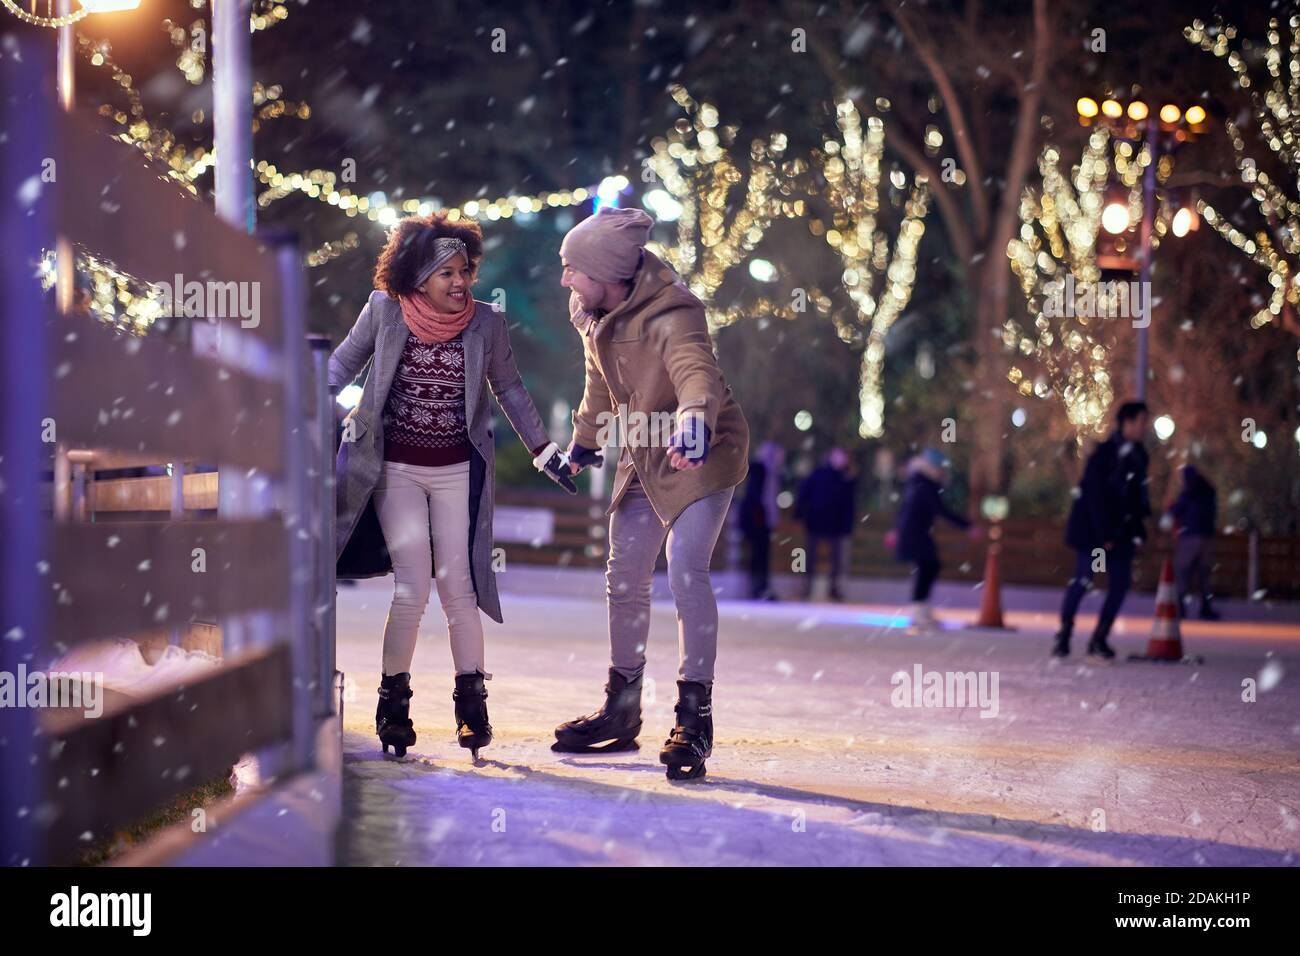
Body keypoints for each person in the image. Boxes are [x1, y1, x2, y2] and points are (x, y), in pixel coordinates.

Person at [329, 212, 575, 760]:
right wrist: (300, 410)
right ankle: (394, 707)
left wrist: (544, 450)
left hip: (455, 471)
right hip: (394, 470)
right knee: (412, 586)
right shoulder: (385, 311)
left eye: (464, 270)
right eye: (446, 273)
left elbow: (509, 388)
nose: (459, 282)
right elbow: (337, 369)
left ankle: (472, 706)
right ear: (417, 276)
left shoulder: (485, 323)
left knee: (458, 587)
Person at [549, 207, 750, 782]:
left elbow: (696, 373)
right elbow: (598, 379)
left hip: (702, 447)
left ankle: (694, 715)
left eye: (572, 270)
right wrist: (585, 443)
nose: (565, 280)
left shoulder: (674, 311)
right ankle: (622, 709)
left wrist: (694, 421)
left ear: (605, 273)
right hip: (642, 446)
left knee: (685, 568)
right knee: (625, 571)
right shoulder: (590, 309)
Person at [1053, 400, 1152, 659]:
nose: (1145, 428)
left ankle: (1099, 637)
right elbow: (1094, 497)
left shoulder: (1139, 456)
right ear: (1126, 423)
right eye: (1141, 422)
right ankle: (1064, 634)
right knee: (1084, 581)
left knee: (1120, 585)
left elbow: (1137, 499)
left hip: (1121, 534)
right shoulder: (1104, 455)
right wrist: (1104, 535)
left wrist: (1137, 531)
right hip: (1095, 535)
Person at [886, 448, 977, 633]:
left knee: (929, 566)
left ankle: (921, 609)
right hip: (914, 532)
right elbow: (940, 510)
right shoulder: (924, 483)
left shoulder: (919, 480)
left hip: (914, 532)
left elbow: (906, 508)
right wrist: (967, 526)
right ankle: (918, 611)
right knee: (928, 567)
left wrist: (896, 530)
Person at [795, 447, 857, 601]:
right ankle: (807, 587)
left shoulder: (846, 479)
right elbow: (804, 494)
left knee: (836, 560)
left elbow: (849, 505)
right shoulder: (819, 475)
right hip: (816, 522)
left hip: (835, 526)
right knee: (809, 558)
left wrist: (847, 525)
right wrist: (803, 515)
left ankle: (833, 588)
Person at [1168, 463, 1220, 620]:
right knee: (1204, 574)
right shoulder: (1208, 491)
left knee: (1182, 572)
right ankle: (1205, 606)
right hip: (1207, 537)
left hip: (1190, 537)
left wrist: (1172, 508)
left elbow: (1176, 510)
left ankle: (1180, 607)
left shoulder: (1189, 492)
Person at [739, 440, 784, 600]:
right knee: (758, 555)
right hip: (757, 520)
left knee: (762, 555)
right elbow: (756, 497)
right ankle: (758, 588)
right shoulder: (761, 470)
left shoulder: (770, 473)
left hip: (762, 520)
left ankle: (761, 587)